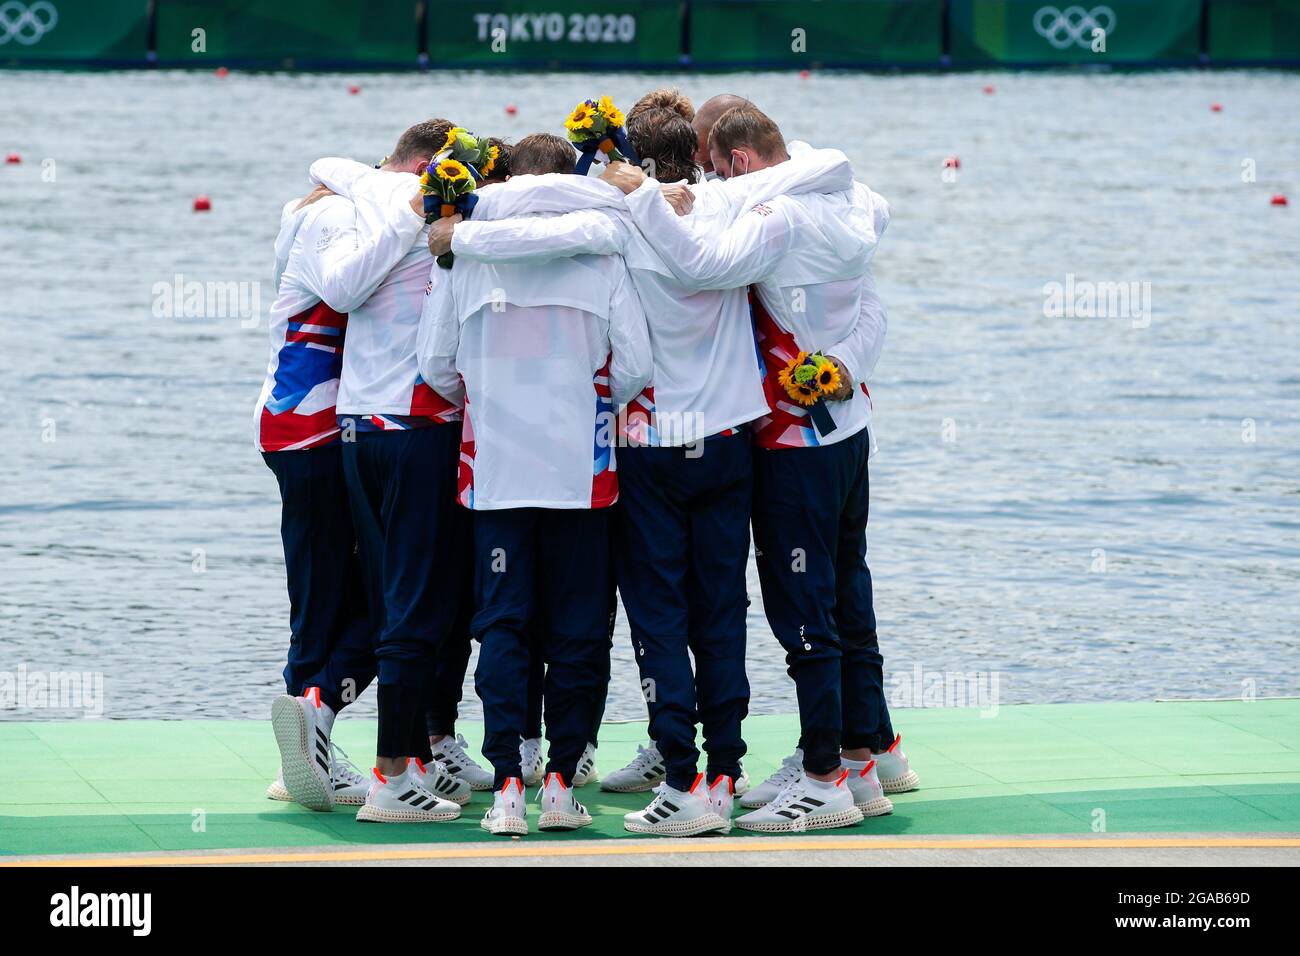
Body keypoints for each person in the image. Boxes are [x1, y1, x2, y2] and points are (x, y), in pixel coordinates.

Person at [429, 105, 856, 835]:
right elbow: (828, 174)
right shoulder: (731, 212)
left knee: (651, 621)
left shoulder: (619, 230)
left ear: (632, 161)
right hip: (722, 442)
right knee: (719, 613)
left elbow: (613, 361)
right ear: (696, 157)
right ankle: (723, 771)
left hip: (638, 450)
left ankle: (664, 780)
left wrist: (455, 231)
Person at [603, 104, 913, 832]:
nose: (706, 180)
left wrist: (642, 193)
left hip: (788, 444)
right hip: (845, 425)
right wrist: (843, 364)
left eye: (714, 167)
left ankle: (825, 775)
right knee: (845, 592)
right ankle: (868, 752)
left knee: (803, 614)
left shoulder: (776, 219)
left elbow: (700, 262)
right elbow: (873, 302)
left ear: (739, 163)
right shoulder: (848, 197)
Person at [419, 133, 652, 835]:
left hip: (495, 475)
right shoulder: (604, 254)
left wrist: (491, 393)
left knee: (503, 629)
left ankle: (507, 790)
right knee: (579, 632)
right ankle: (560, 784)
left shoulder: (462, 257)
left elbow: (433, 367)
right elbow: (636, 365)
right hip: (581, 477)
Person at [299, 121, 477, 822]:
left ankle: (351, 724)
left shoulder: (374, 194)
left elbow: (329, 160)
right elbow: (344, 290)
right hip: (419, 432)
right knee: (418, 611)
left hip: (356, 433)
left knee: (394, 607)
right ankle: (392, 777)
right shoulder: (432, 217)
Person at [258, 180, 376, 813]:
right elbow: (349, 291)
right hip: (322, 432)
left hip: (292, 428)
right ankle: (318, 716)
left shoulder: (309, 215)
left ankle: (304, 746)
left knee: (317, 595)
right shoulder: (350, 225)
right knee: (384, 597)